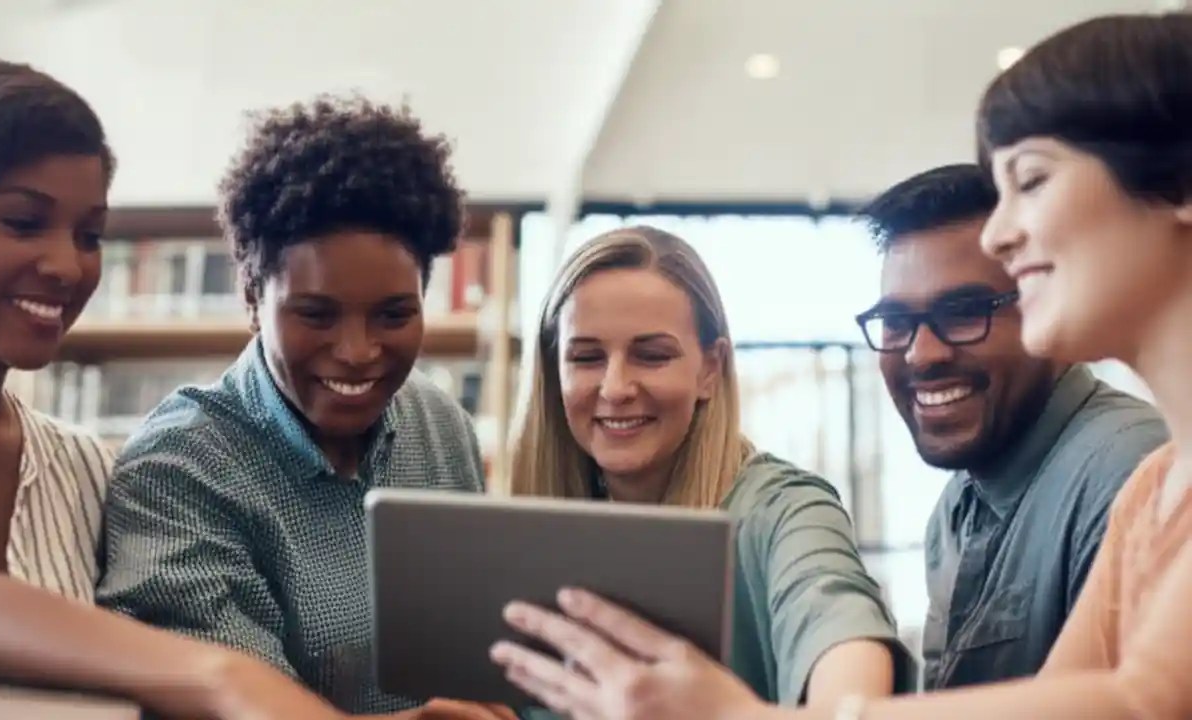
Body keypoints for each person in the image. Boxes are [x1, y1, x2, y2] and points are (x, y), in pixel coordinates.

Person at [488, 11, 1192, 720]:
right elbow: (1081, 703)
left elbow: (1142, 702)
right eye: (583, 356)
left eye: (1032, 181)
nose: (1005, 235)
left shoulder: (1125, 463)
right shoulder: (1143, 491)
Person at [0, 58, 377, 720]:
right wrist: (226, 677)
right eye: (21, 222)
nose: (67, 265)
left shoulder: (89, 470)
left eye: (90, 235)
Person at [95, 95, 513, 719]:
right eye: (315, 314)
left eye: (394, 314)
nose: (358, 352)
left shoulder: (438, 423)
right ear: (250, 295)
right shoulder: (177, 473)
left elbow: (471, 649)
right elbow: (232, 705)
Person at [501, 226, 916, 709]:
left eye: (651, 356)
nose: (614, 387)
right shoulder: (534, 529)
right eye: (587, 357)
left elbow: (840, 634)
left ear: (709, 370)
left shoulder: (783, 511)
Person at [853, 163, 1167, 688]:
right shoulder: (955, 508)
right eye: (898, 322)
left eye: (964, 312)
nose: (922, 354)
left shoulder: (1127, 474)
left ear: (1043, 305)